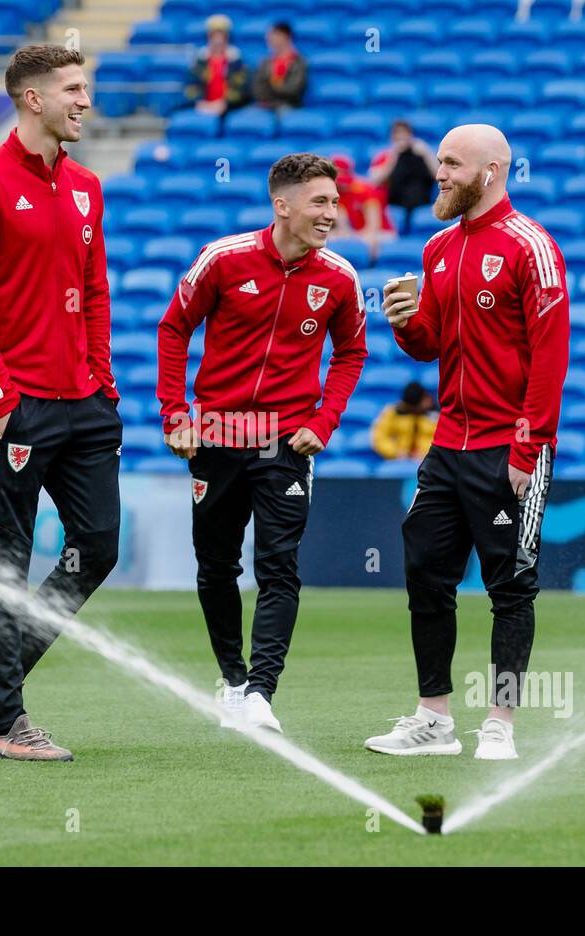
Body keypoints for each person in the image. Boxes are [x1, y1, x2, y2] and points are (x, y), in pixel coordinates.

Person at [365, 124, 569, 761]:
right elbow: (431, 344)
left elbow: (549, 358)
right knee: (425, 572)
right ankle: (434, 720)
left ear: (493, 171)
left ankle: (501, 723)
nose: (441, 174)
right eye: (441, 162)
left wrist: (527, 450)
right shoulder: (438, 247)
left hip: (509, 448)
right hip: (448, 442)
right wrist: (405, 324)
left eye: (453, 163)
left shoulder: (530, 246)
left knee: (512, 585)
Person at [0, 44, 120, 762]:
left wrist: (104, 381)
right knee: (5, 561)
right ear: (32, 99)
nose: (84, 101)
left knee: (99, 546)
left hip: (85, 403)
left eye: (85, 89)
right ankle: (7, 726)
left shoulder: (86, 186)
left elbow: (96, 290)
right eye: (73, 89)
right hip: (13, 404)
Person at [157, 153, 367, 734]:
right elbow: (174, 326)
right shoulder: (223, 259)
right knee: (217, 567)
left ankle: (261, 694)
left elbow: (351, 354)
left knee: (279, 568)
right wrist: (176, 414)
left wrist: (322, 423)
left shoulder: (341, 278)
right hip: (215, 441)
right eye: (320, 202)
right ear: (283, 205)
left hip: (287, 446)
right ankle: (231, 679)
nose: (331, 213)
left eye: (334, 201)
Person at [368, 120, 439, 235]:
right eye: (397, 134)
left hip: (421, 201)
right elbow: (373, 181)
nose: (401, 138)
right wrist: (393, 157)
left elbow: (438, 175)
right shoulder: (387, 155)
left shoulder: (422, 153)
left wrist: (426, 153)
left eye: (404, 134)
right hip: (395, 201)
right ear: (392, 137)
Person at [331, 154, 394, 259]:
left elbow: (373, 226)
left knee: (370, 241)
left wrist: (353, 237)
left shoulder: (364, 190)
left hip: (381, 233)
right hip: (356, 235)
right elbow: (343, 227)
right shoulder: (334, 194)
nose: (343, 185)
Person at [185, 14, 248, 116]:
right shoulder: (199, 61)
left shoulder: (236, 60)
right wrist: (199, 102)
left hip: (228, 107)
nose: (217, 39)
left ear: (227, 37)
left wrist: (224, 104)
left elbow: (241, 88)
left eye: (221, 35)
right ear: (208, 36)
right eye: (214, 35)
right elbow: (191, 86)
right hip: (203, 105)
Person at [370, 381, 436, 460]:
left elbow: (442, 441)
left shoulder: (436, 415)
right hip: (398, 459)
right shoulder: (392, 413)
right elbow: (379, 438)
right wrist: (395, 452)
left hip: (428, 459)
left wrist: (426, 454)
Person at [252, 22, 307, 110]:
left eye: (273, 34)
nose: (268, 38)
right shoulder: (266, 62)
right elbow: (257, 87)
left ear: (285, 36)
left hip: (289, 105)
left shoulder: (299, 62)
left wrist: (271, 87)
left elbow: (293, 90)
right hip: (266, 105)